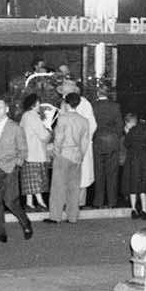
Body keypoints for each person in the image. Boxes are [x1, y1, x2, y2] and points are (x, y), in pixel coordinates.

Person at [0, 95, 32, 242]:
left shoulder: (15, 128)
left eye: (1, 108)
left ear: (7, 109)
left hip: (10, 168)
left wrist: (17, 162)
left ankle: (25, 222)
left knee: (10, 201)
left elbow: (23, 149)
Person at [48, 90, 93, 223]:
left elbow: (59, 138)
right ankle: (72, 216)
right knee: (74, 188)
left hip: (63, 155)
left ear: (66, 104)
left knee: (58, 187)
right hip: (77, 156)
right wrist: (81, 155)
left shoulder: (63, 118)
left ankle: (55, 216)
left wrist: (55, 152)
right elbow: (85, 141)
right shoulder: (84, 121)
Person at [89, 83, 124, 208]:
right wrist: (116, 137)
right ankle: (112, 201)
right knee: (112, 172)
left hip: (98, 140)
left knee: (98, 171)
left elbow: (91, 125)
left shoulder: (93, 106)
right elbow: (120, 125)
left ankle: (98, 201)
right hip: (112, 141)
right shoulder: (115, 106)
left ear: (98, 93)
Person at [17, 93, 51, 211]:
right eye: (38, 103)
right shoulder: (32, 116)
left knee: (30, 180)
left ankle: (29, 202)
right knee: (36, 179)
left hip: (29, 153)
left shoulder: (25, 116)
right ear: (34, 104)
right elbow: (43, 134)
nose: (39, 106)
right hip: (34, 153)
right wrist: (49, 132)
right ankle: (40, 202)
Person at [120, 109, 146, 218]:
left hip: (132, 157)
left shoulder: (130, 131)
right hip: (144, 157)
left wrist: (127, 133)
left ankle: (133, 209)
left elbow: (126, 144)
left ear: (129, 122)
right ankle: (144, 210)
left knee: (132, 182)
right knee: (143, 184)